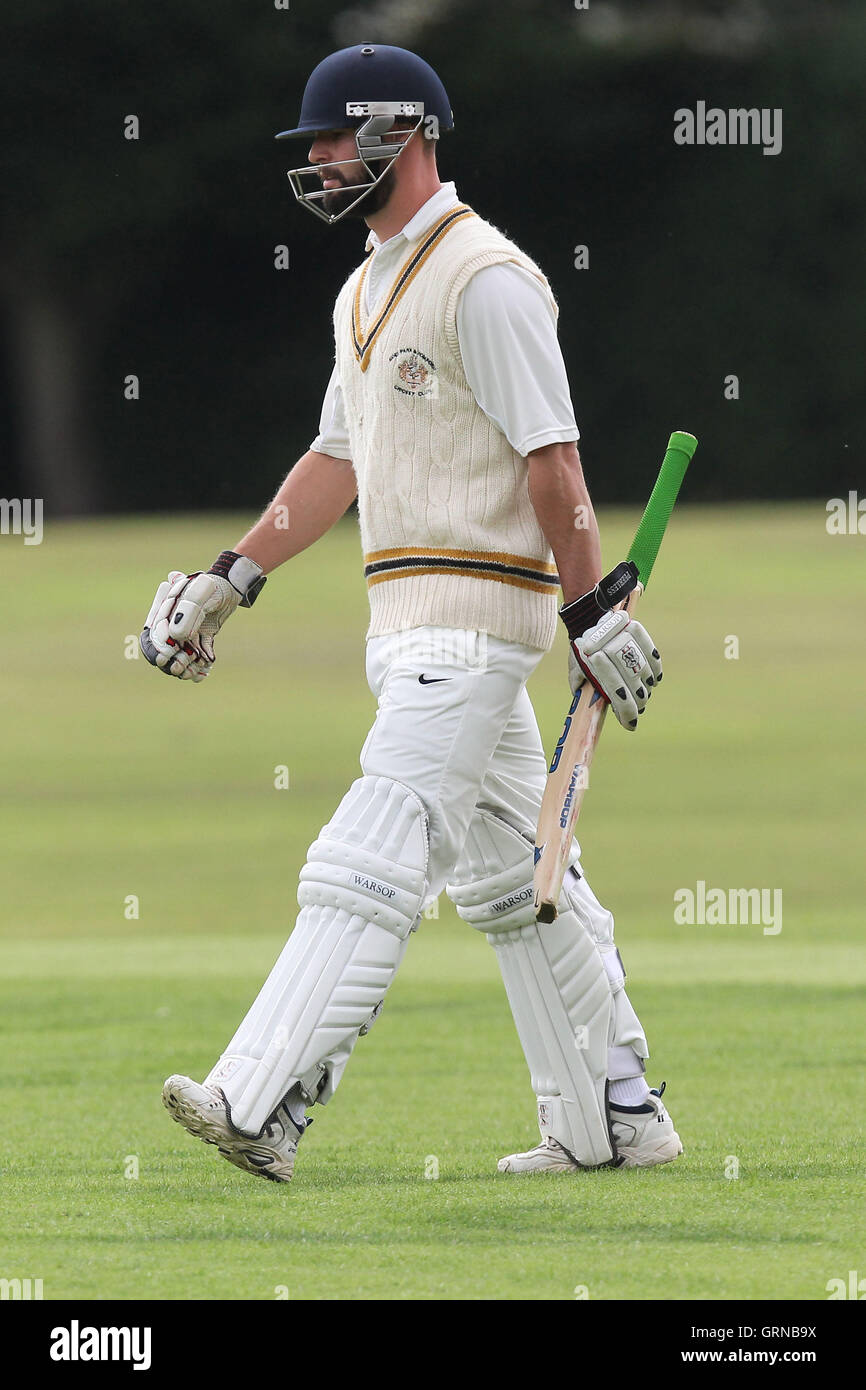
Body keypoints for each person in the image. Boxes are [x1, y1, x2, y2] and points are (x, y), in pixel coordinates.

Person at [141, 43, 682, 1182]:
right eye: (315, 146)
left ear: (405, 130)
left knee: (368, 849)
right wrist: (229, 577)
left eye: (337, 137)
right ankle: (612, 1113)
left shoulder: (485, 276)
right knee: (515, 884)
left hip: (476, 625)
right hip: (408, 631)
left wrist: (590, 608)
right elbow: (336, 460)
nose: (323, 159)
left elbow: (553, 460)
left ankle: (262, 1097)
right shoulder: (364, 286)